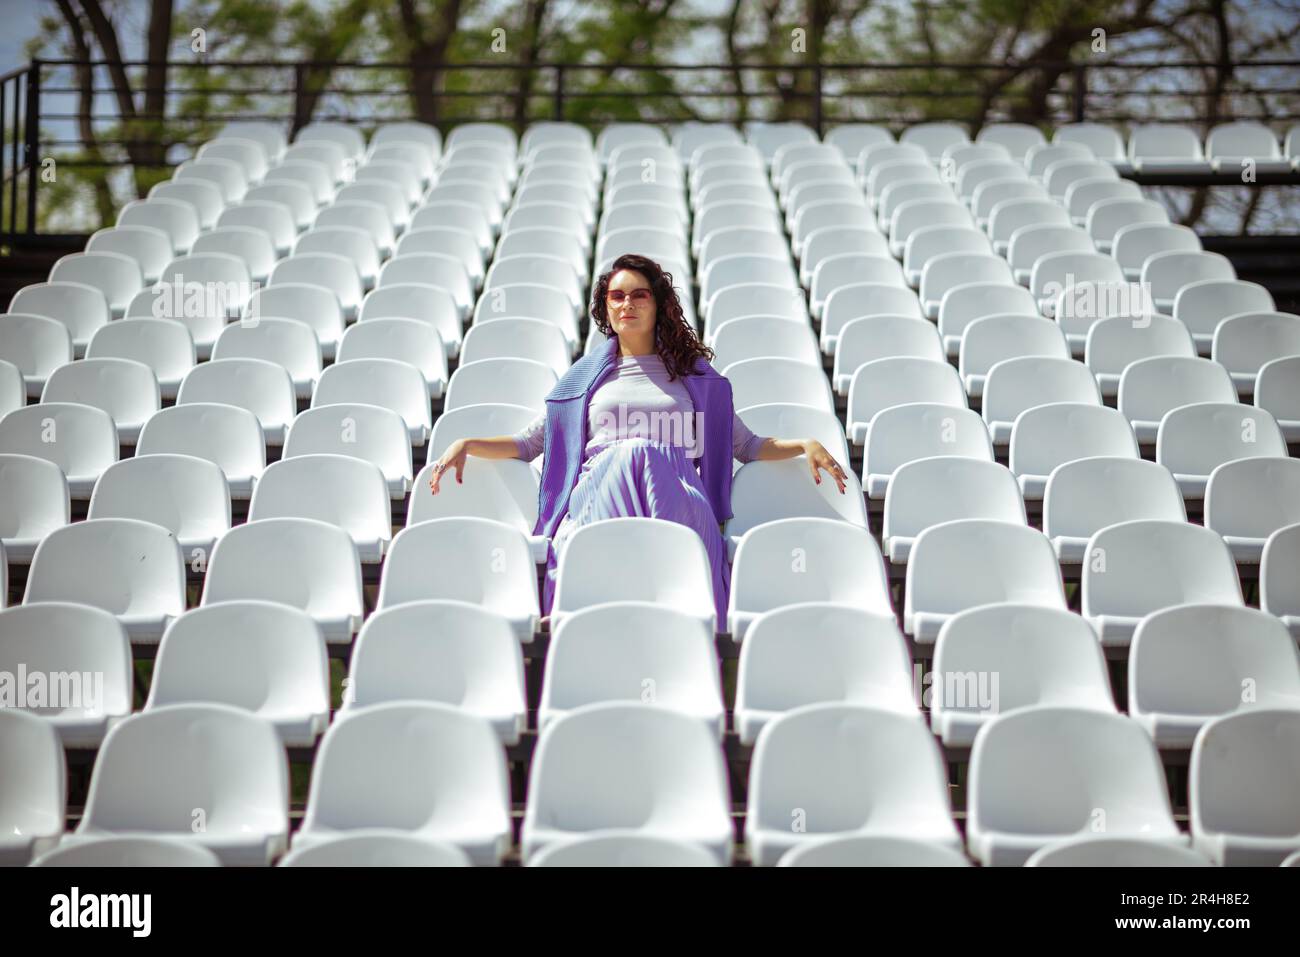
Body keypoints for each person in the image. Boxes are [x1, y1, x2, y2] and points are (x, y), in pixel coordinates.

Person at [428, 253, 849, 628]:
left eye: (639, 295)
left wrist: (803, 444)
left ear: (659, 304)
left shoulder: (695, 381)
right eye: (616, 296)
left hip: (679, 497)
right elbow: (528, 443)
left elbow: (747, 446)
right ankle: (605, 607)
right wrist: (467, 443)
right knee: (632, 454)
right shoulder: (584, 381)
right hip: (598, 495)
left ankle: (662, 600)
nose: (627, 304)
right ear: (605, 308)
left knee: (644, 453)